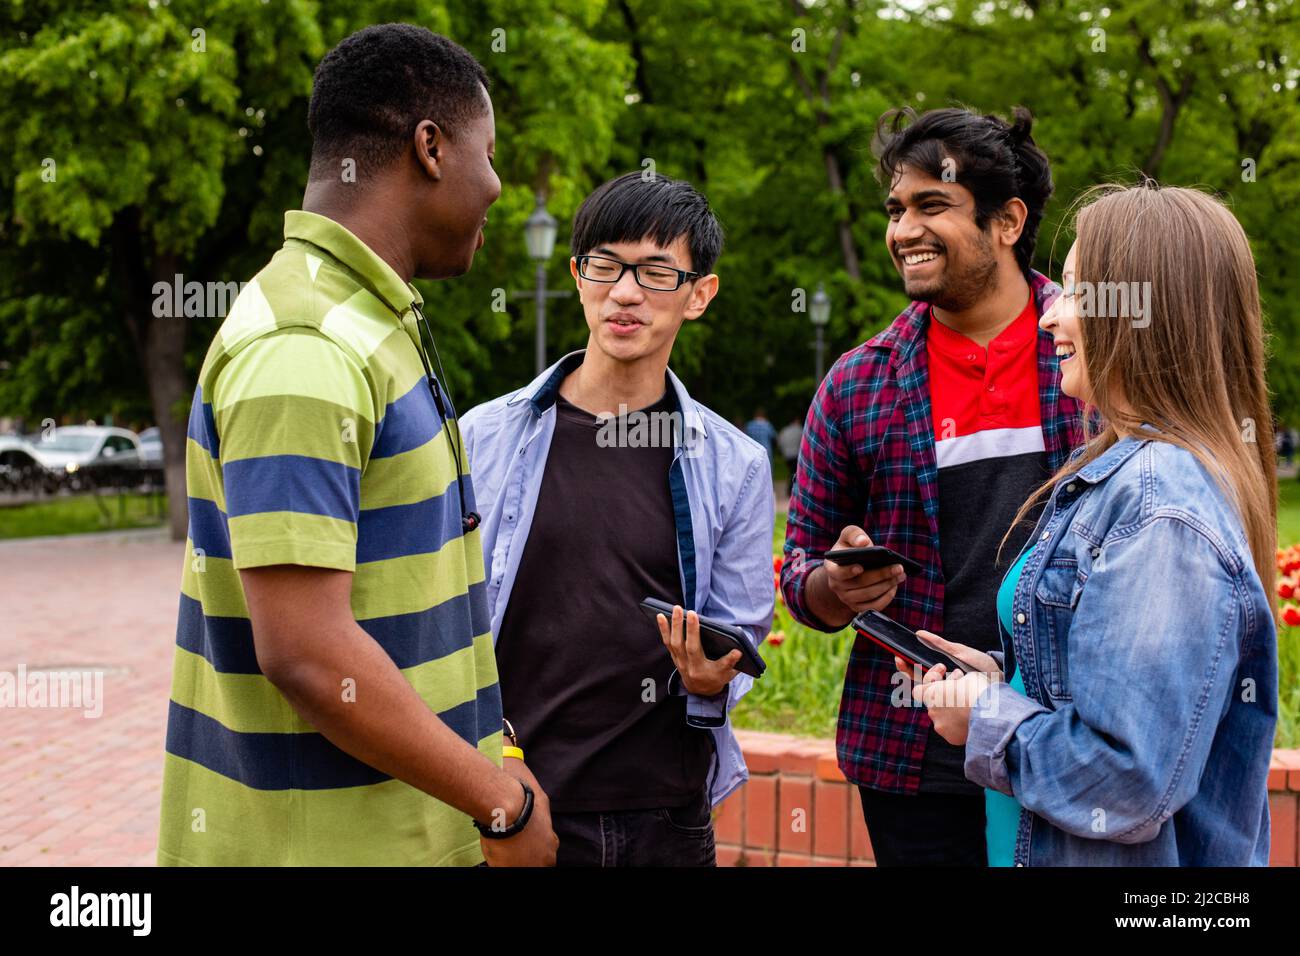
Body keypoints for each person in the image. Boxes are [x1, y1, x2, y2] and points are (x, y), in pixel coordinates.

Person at [157, 24, 556, 866]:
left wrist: (495, 754)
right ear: (431, 148)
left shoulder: (373, 320)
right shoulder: (308, 346)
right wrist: (502, 804)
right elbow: (307, 652)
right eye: (490, 155)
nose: (496, 186)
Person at [909, 183, 1278, 865]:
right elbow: (1099, 686)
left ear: (1142, 313)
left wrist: (984, 719)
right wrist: (1001, 680)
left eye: (1076, 292)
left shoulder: (1157, 501)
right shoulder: (1122, 471)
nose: (1050, 317)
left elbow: (1127, 779)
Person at [780, 106, 1082, 865]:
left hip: (1070, 738)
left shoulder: (1091, 355)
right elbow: (798, 576)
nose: (903, 229)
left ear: (1007, 221)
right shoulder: (857, 384)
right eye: (895, 209)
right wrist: (835, 586)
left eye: (931, 205)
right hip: (913, 756)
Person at [462, 171, 774, 866]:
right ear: (577, 276)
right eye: (606, 265)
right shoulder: (484, 438)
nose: (626, 292)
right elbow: (446, 619)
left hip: (665, 815)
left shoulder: (735, 464)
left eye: (658, 273)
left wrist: (713, 676)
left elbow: (744, 626)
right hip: (514, 804)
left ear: (700, 295)